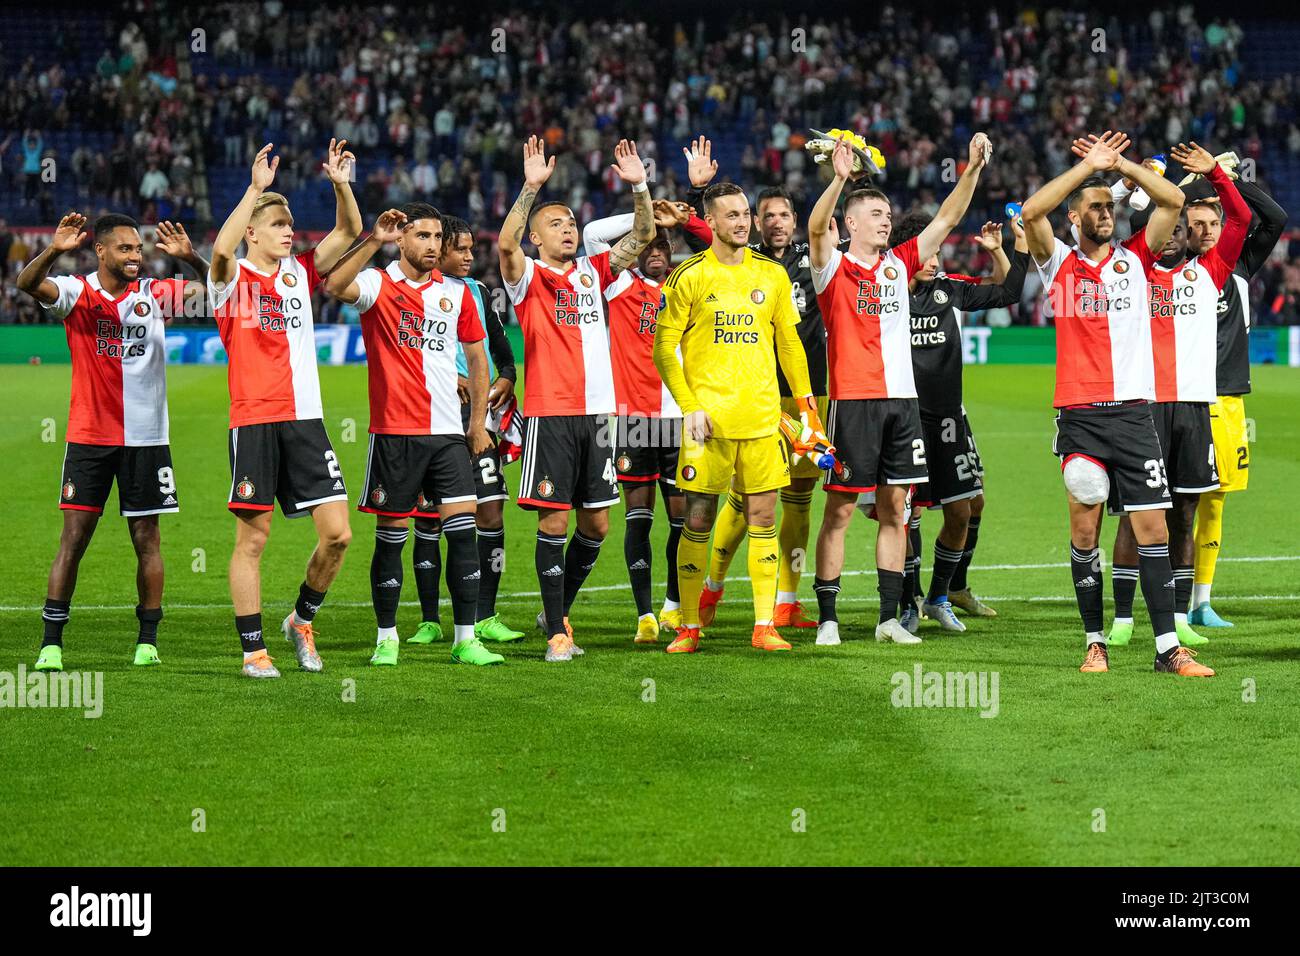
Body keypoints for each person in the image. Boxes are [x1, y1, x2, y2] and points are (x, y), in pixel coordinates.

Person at [1021, 130, 1212, 677]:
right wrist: (1087, 172)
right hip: (1079, 412)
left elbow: (1173, 201)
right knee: (1086, 529)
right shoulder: (1056, 263)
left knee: (1154, 527)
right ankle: (1094, 640)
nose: (1106, 213)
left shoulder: (1136, 259)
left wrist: (1124, 166)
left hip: (1134, 412)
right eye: (1095, 209)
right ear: (1076, 220)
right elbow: (1034, 210)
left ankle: (1167, 647)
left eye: (1110, 207)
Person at [808, 132, 991, 646]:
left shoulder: (899, 264)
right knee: (840, 512)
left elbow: (948, 220)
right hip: (855, 404)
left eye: (888, 214)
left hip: (903, 405)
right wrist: (840, 179)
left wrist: (972, 168)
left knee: (897, 510)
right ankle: (827, 619)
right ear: (853, 223)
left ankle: (890, 618)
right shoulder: (833, 268)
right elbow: (816, 226)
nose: (886, 220)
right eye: (876, 214)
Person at [17, 213, 205, 671]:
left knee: (148, 538)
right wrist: (54, 250)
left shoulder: (156, 295)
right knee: (74, 538)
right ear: (100, 251)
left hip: (147, 439)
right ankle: (51, 644)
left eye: (139, 249)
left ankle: (147, 640)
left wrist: (192, 259)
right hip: (89, 438)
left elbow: (226, 293)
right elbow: (27, 283)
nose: (136, 257)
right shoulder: (76, 292)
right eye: (125, 249)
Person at [498, 135, 655, 662]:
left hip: (601, 416)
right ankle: (556, 636)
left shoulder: (595, 273)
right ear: (537, 240)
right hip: (552, 414)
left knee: (598, 524)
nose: (566, 231)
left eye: (570, 224)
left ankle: (556, 606)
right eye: (555, 225)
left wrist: (639, 186)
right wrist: (530, 188)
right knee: (554, 521)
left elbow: (646, 232)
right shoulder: (529, 277)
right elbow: (504, 245)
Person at [207, 140, 361, 679]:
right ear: (253, 232)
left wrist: (341, 183)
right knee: (253, 539)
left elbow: (347, 233)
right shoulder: (229, 282)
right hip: (253, 420)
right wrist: (254, 191)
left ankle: (300, 619)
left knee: (339, 533)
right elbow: (222, 252)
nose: (287, 231)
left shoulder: (298, 273)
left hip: (306, 420)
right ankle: (253, 650)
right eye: (276, 224)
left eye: (289, 225)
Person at [322, 204, 502, 666]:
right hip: (395, 435)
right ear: (401, 240)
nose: (432, 245)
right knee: (391, 538)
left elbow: (479, 361)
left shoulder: (457, 294)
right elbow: (334, 285)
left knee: (462, 535)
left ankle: (465, 639)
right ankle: (387, 637)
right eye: (421, 236)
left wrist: (477, 423)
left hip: (447, 435)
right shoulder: (379, 284)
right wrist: (372, 242)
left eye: (437, 236)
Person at [653, 181, 822, 654]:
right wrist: (690, 407)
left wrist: (807, 408)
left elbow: (789, 344)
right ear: (710, 222)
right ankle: (689, 625)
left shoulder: (771, 275)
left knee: (764, 515)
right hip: (709, 423)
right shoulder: (687, 276)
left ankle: (764, 624)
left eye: (745, 213)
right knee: (700, 518)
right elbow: (664, 348)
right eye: (730, 215)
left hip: (763, 418)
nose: (742, 222)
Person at [1107, 142, 1248, 649]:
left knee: (1185, 513)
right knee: (1134, 514)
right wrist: (1128, 175)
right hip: (1141, 410)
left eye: (1181, 230)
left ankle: (1182, 617)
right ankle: (1123, 618)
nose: (1172, 238)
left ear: (1188, 235)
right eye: (1165, 230)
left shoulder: (1209, 273)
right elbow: (1123, 217)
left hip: (1193, 408)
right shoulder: (1134, 274)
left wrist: (1217, 175)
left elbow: (1241, 219)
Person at [896, 214, 1029, 633]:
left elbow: (1009, 291)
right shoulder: (886, 293)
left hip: (949, 419)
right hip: (903, 419)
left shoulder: (947, 290)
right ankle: (906, 600)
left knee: (962, 509)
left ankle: (940, 595)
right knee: (905, 515)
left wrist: (1002, 250)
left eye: (937, 251)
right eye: (928, 253)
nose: (935, 260)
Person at [404, 215, 526, 648]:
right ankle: (429, 619)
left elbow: (500, 347)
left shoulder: (478, 292)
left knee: (490, 513)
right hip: (435, 418)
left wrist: (507, 376)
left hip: (481, 418)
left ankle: (485, 614)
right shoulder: (418, 293)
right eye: (461, 249)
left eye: (472, 249)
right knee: (429, 520)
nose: (469, 256)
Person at [1186, 161, 1289, 627]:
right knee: (1173, 502)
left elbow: (1275, 218)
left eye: (1213, 223)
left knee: (1215, 500)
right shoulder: (1174, 269)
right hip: (1183, 397)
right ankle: (1163, 595)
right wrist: (1191, 182)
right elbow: (1144, 220)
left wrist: (1227, 176)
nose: (1207, 231)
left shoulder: (1240, 265)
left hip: (1228, 399)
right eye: (1197, 224)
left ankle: (1201, 601)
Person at [583, 204, 688, 644]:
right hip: (630, 421)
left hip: (680, 419)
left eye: (665, 244)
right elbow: (591, 234)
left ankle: (674, 604)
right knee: (638, 519)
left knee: (684, 521)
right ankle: (644, 613)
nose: (657, 251)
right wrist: (645, 214)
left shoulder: (688, 290)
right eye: (649, 244)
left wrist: (678, 221)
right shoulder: (619, 286)